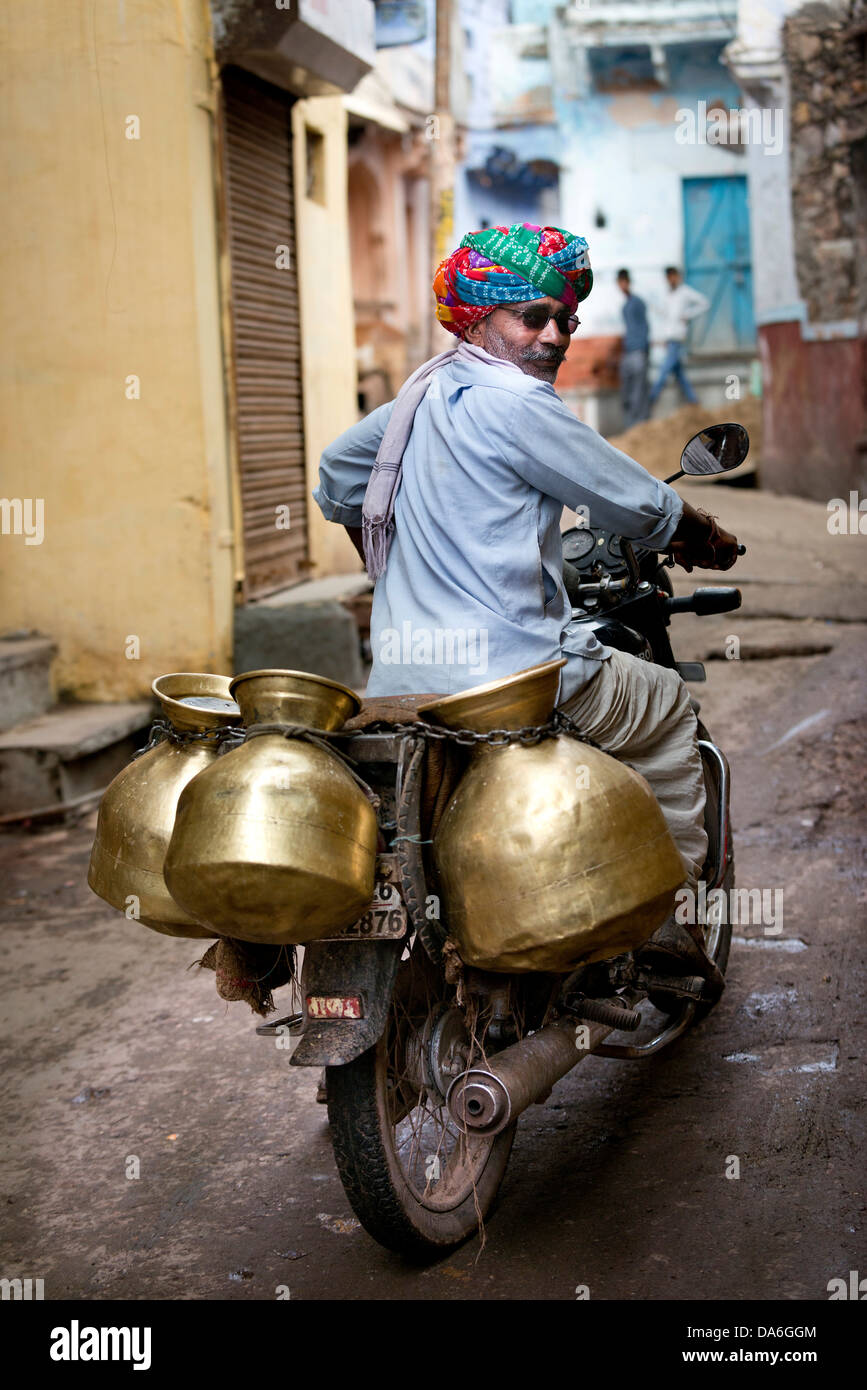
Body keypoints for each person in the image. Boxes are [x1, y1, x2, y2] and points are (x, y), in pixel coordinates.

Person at [314, 222, 739, 987]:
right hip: (513, 680)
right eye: (531, 317)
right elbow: (634, 501)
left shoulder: (417, 398)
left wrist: (390, 560)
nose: (553, 336)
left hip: (404, 684)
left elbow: (339, 479)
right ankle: (666, 921)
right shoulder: (516, 404)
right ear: (477, 318)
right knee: (668, 703)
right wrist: (699, 532)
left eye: (565, 320)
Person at [648, 266, 710, 410]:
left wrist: (688, 315)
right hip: (670, 338)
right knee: (679, 374)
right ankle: (693, 401)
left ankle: (652, 398)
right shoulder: (668, 295)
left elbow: (704, 303)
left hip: (677, 338)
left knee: (664, 370)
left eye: (673, 276)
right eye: (669, 277)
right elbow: (667, 318)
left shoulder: (685, 292)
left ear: (677, 276)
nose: (671, 279)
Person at [616, 268, 649, 428]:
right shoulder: (625, 306)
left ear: (628, 282)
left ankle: (639, 427)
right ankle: (630, 427)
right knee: (627, 393)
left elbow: (644, 327)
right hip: (628, 352)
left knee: (638, 393)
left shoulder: (637, 303)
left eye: (624, 282)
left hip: (638, 352)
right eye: (620, 283)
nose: (622, 286)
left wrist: (644, 350)